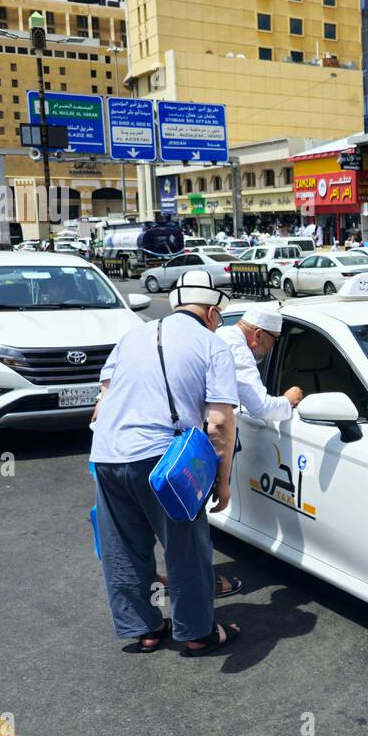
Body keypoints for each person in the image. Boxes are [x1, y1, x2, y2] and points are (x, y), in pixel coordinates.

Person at [89, 271, 239, 657]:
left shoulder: (131, 336)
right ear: (210, 312)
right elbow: (220, 422)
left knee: (123, 546)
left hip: (107, 454)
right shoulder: (213, 345)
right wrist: (222, 482)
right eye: (219, 316)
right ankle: (196, 632)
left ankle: (147, 630)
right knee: (186, 547)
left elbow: (102, 400)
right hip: (162, 460)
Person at [217, 306, 302, 424]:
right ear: (258, 335)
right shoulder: (238, 351)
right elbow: (262, 408)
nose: (273, 346)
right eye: (275, 339)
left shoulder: (222, 333)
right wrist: (288, 400)